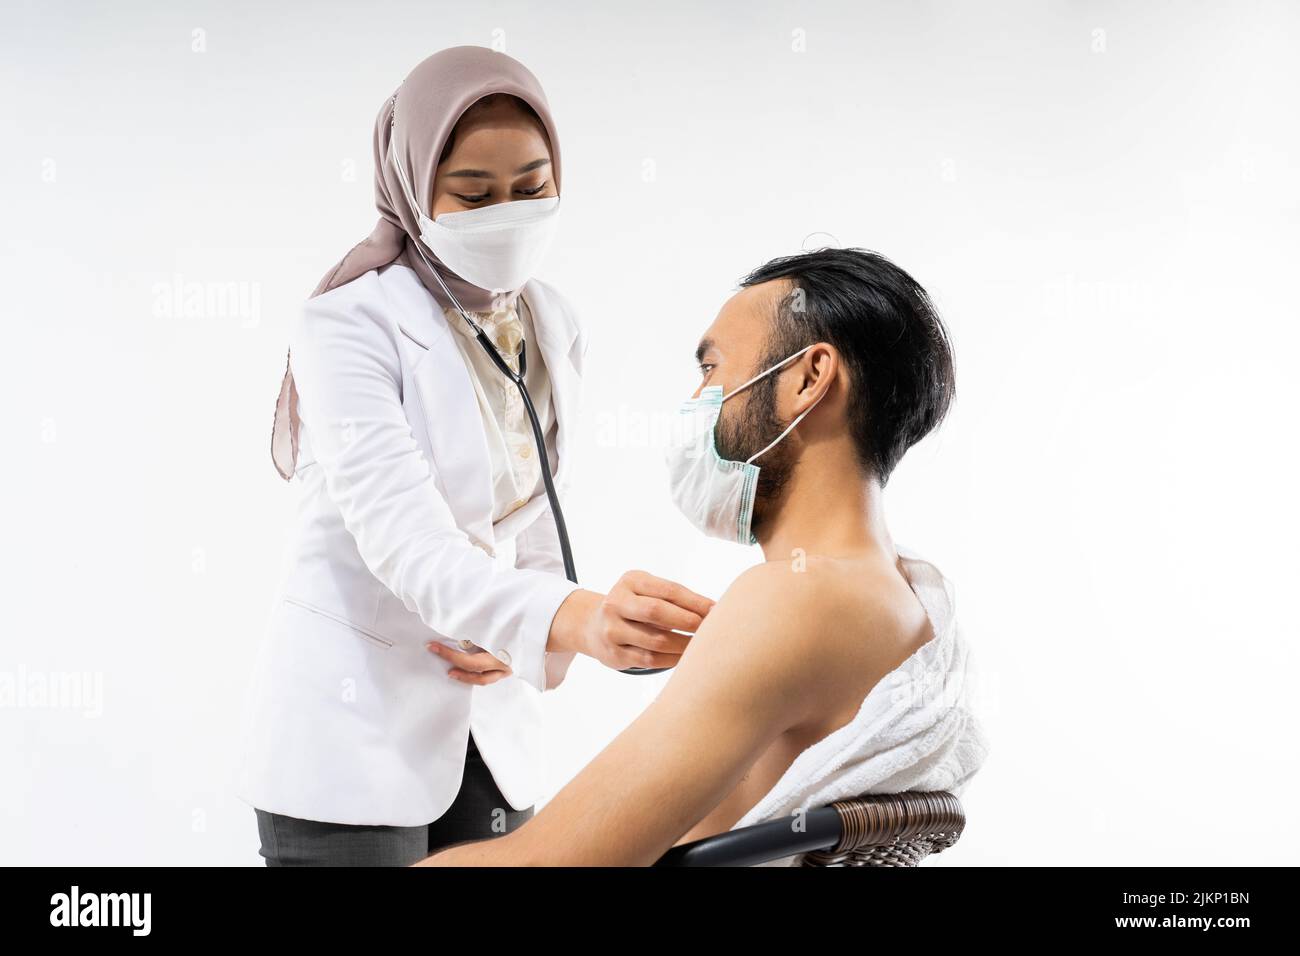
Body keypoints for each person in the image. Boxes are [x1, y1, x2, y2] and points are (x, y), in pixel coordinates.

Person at [234, 46, 712, 866]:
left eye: (532, 188)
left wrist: (536, 628)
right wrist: (579, 619)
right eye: (474, 194)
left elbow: (531, 522)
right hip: (351, 738)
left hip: (491, 735)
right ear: (416, 189)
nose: (510, 214)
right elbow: (406, 544)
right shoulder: (345, 326)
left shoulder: (550, 322)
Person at [413, 247, 990, 867]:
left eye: (711, 369)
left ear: (806, 378)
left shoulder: (797, 598)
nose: (698, 400)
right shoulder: (897, 596)